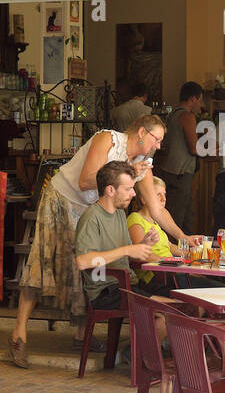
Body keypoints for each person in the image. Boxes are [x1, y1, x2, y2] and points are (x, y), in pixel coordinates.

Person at [10, 114, 191, 366]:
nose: (159, 146)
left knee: (93, 269)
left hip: (91, 209)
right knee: (43, 262)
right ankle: (19, 334)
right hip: (62, 199)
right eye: (156, 139)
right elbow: (86, 180)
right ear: (141, 133)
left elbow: (156, 209)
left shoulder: (141, 164)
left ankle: (81, 335)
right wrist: (129, 172)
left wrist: (183, 237)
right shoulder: (108, 139)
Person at [75, 161, 158, 312]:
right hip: (106, 291)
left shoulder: (119, 213)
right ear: (110, 190)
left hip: (128, 284)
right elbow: (82, 262)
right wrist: (126, 250)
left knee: (180, 297)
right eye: (128, 189)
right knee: (169, 308)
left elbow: (124, 257)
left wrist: (143, 245)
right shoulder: (91, 218)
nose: (133, 194)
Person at [154, 81, 203, 234]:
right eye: (200, 100)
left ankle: (186, 245)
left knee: (184, 215)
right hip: (180, 174)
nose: (200, 105)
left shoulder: (172, 115)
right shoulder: (187, 116)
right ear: (193, 99)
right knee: (179, 217)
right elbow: (194, 148)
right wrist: (215, 149)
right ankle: (176, 247)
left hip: (169, 170)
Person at [127, 175, 174, 293]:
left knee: (207, 283)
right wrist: (170, 263)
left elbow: (170, 246)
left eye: (164, 194)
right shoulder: (135, 218)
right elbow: (139, 254)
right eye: (158, 195)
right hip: (155, 277)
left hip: (170, 272)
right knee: (206, 290)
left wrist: (192, 252)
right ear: (144, 199)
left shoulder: (156, 222)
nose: (164, 199)